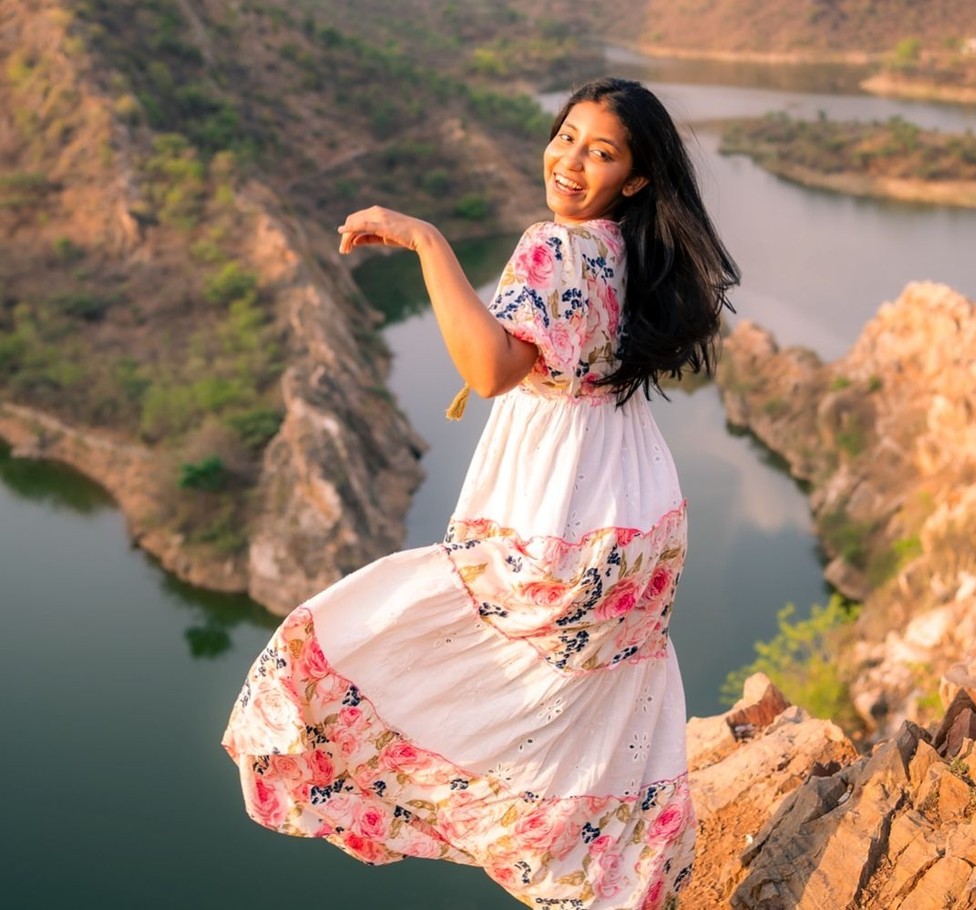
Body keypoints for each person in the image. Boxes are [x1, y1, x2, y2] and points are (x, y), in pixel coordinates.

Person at [222, 77, 739, 909]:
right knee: (602, 712)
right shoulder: (635, 252)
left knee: (350, 640)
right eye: (566, 137)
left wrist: (427, 241)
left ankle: (561, 867)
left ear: (635, 177)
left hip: (556, 511)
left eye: (601, 152)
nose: (570, 161)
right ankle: (618, 879)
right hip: (640, 516)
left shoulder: (552, 247)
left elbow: (492, 370)